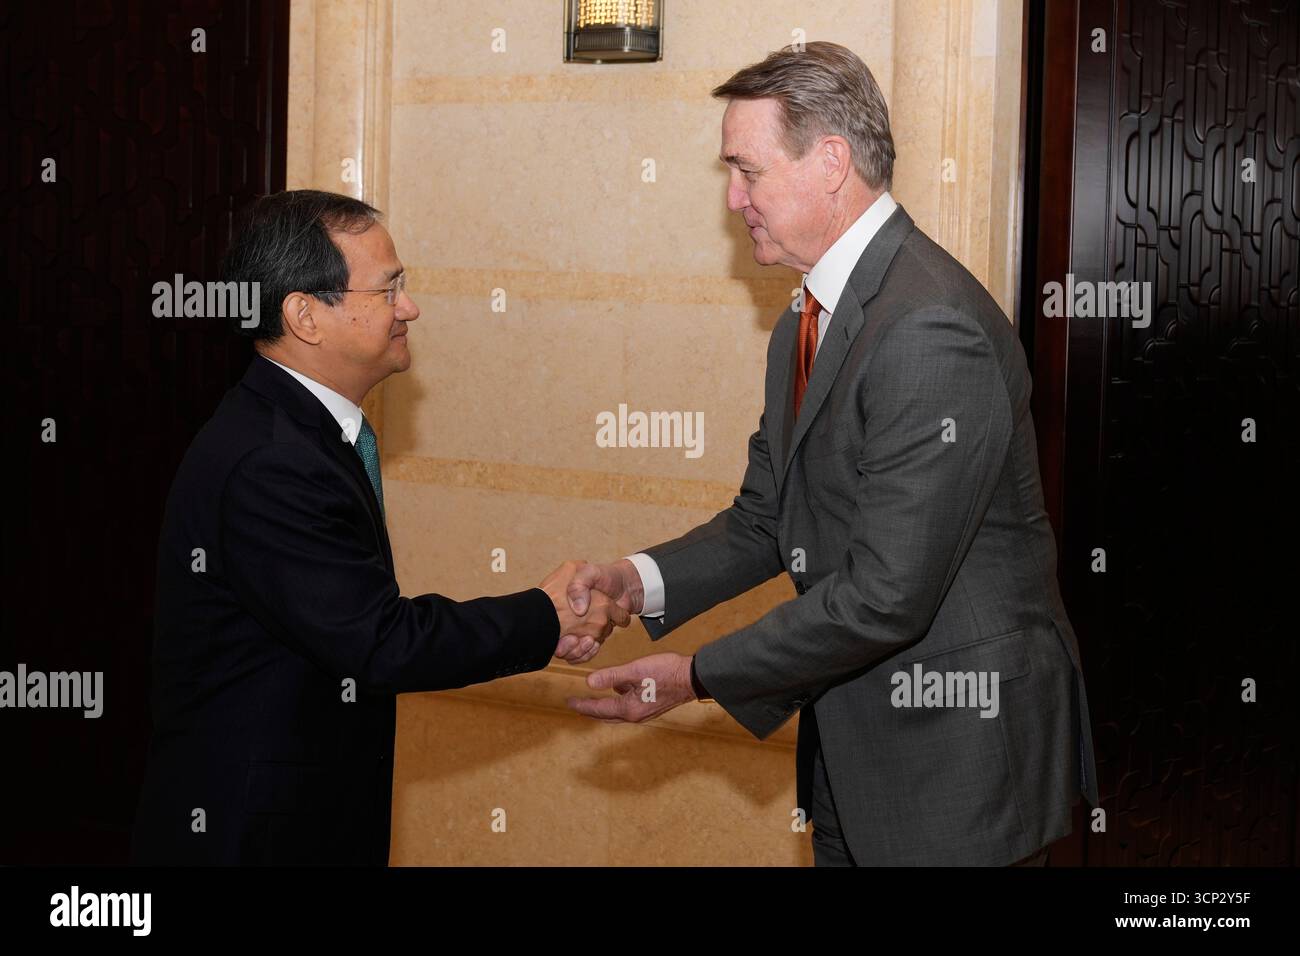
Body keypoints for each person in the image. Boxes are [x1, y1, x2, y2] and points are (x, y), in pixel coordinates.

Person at [565, 42, 1098, 866]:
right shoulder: (804, 318)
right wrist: (636, 582)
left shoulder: (928, 326)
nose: (734, 199)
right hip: (856, 749)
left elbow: (888, 596)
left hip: (953, 761)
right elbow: (765, 517)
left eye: (747, 170)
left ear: (831, 163)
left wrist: (697, 675)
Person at [131, 190, 627, 865]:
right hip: (251, 836)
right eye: (389, 288)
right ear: (305, 314)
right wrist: (545, 614)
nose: (410, 308)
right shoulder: (271, 461)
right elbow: (382, 642)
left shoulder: (305, 432)